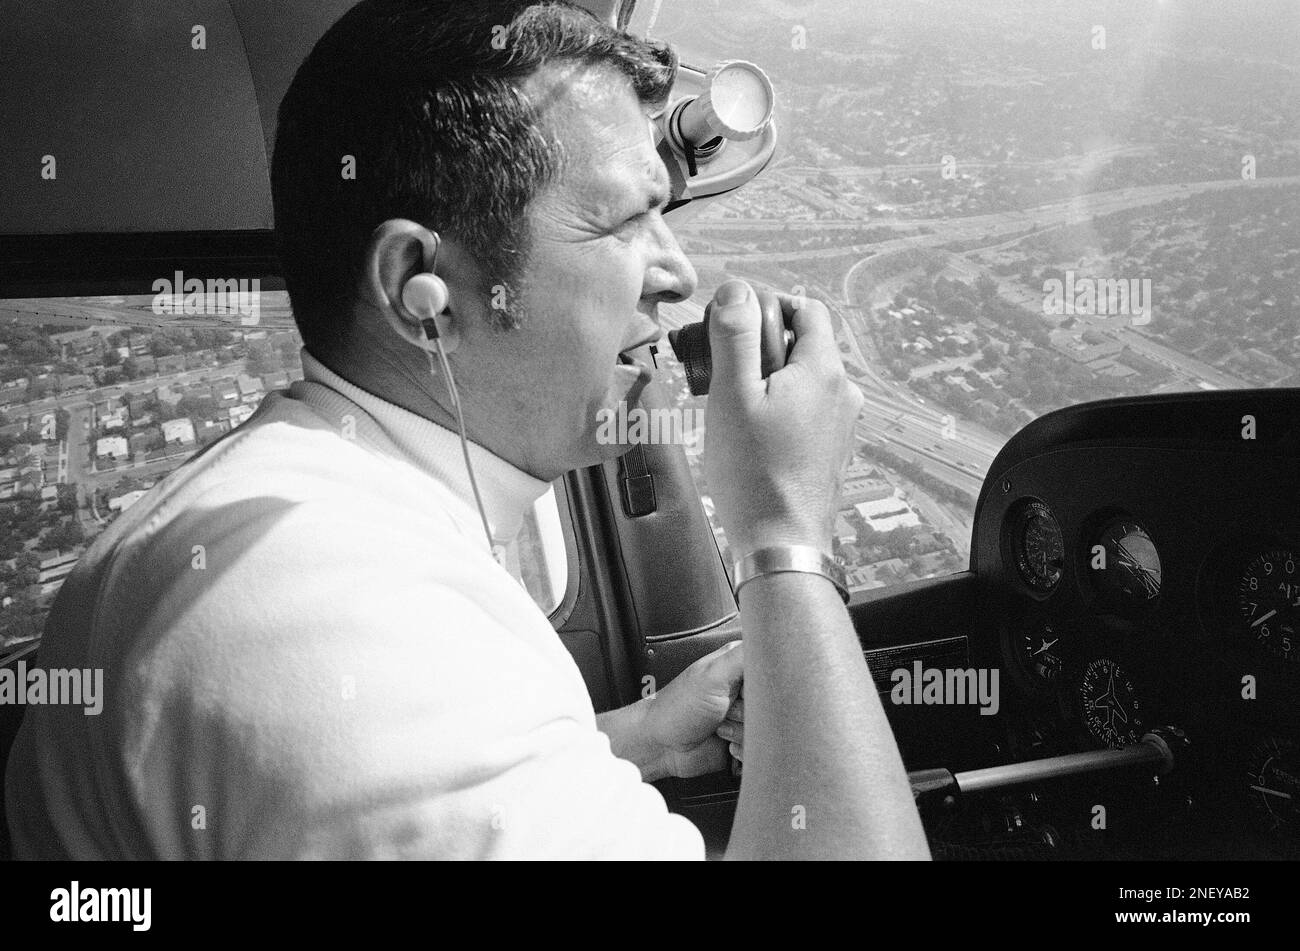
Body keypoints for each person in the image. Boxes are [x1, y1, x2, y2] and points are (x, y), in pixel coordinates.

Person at [5, 0, 928, 860]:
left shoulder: (299, 515)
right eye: (623, 221)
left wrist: (631, 742)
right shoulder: (332, 618)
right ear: (424, 294)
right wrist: (785, 535)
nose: (677, 273)